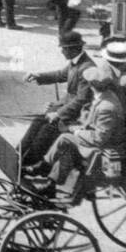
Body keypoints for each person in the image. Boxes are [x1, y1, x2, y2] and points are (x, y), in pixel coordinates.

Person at [39, 66, 125, 195]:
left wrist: (77, 132)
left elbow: (100, 138)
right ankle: (51, 183)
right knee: (67, 146)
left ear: (92, 85)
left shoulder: (107, 106)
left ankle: (44, 165)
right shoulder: (104, 97)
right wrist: (79, 127)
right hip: (97, 141)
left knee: (65, 138)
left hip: (101, 150)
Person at [20, 30, 96, 167]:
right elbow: (61, 75)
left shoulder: (86, 68)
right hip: (67, 107)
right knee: (38, 120)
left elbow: (82, 100)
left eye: (63, 49)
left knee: (47, 129)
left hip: (77, 113)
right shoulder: (76, 62)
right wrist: (38, 76)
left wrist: (58, 113)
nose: (61, 52)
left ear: (72, 49)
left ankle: (29, 163)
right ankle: (18, 153)